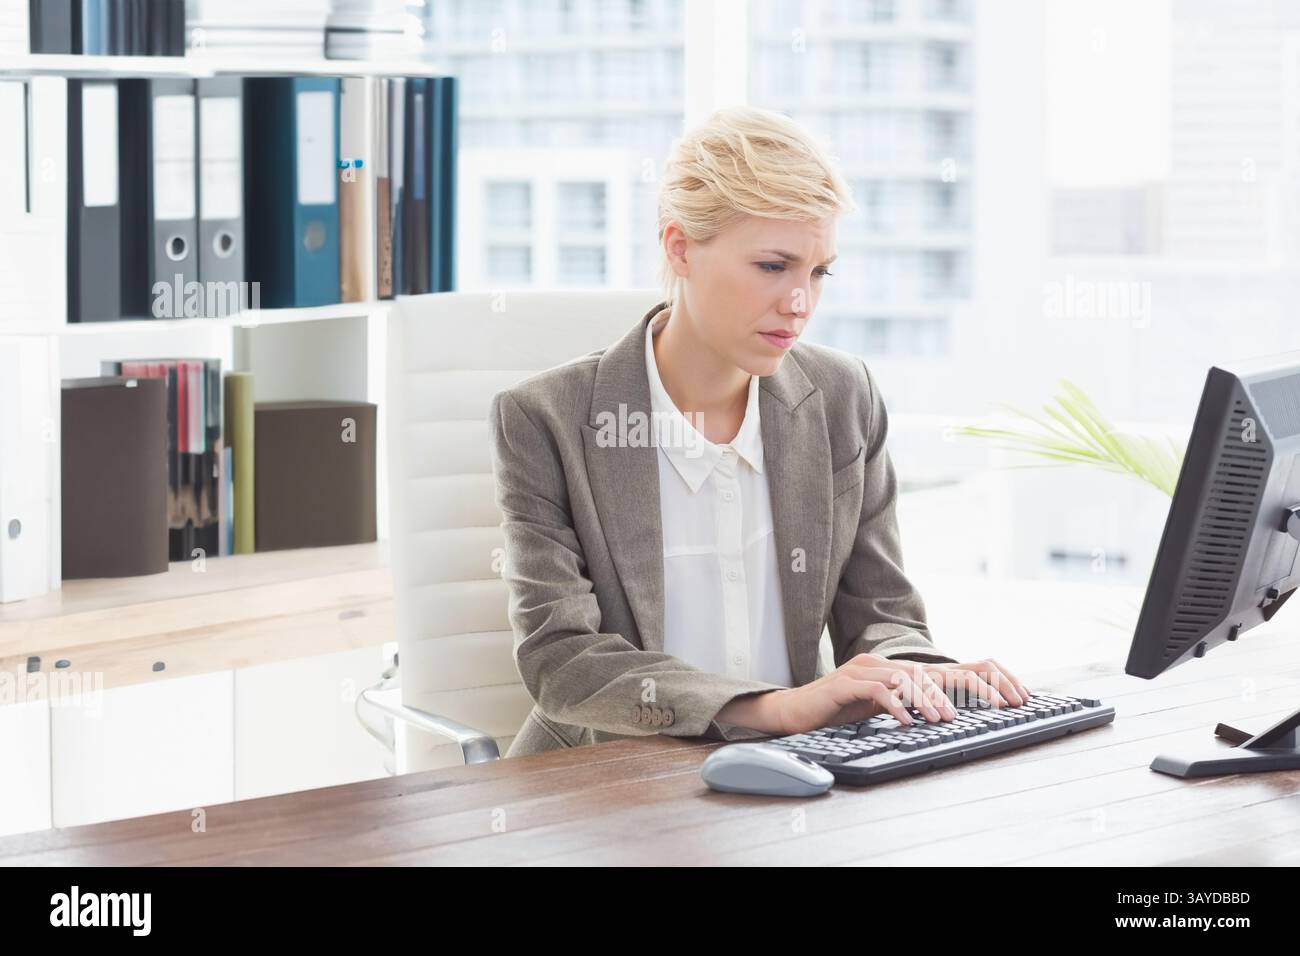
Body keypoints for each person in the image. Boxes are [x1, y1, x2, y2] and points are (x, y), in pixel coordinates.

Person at [489, 105, 1030, 758]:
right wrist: (775, 710)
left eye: (819, 271)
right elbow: (565, 661)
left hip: (791, 778)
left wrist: (915, 667)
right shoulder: (546, 420)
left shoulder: (842, 397)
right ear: (680, 246)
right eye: (774, 266)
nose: (800, 302)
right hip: (603, 783)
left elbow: (883, 612)